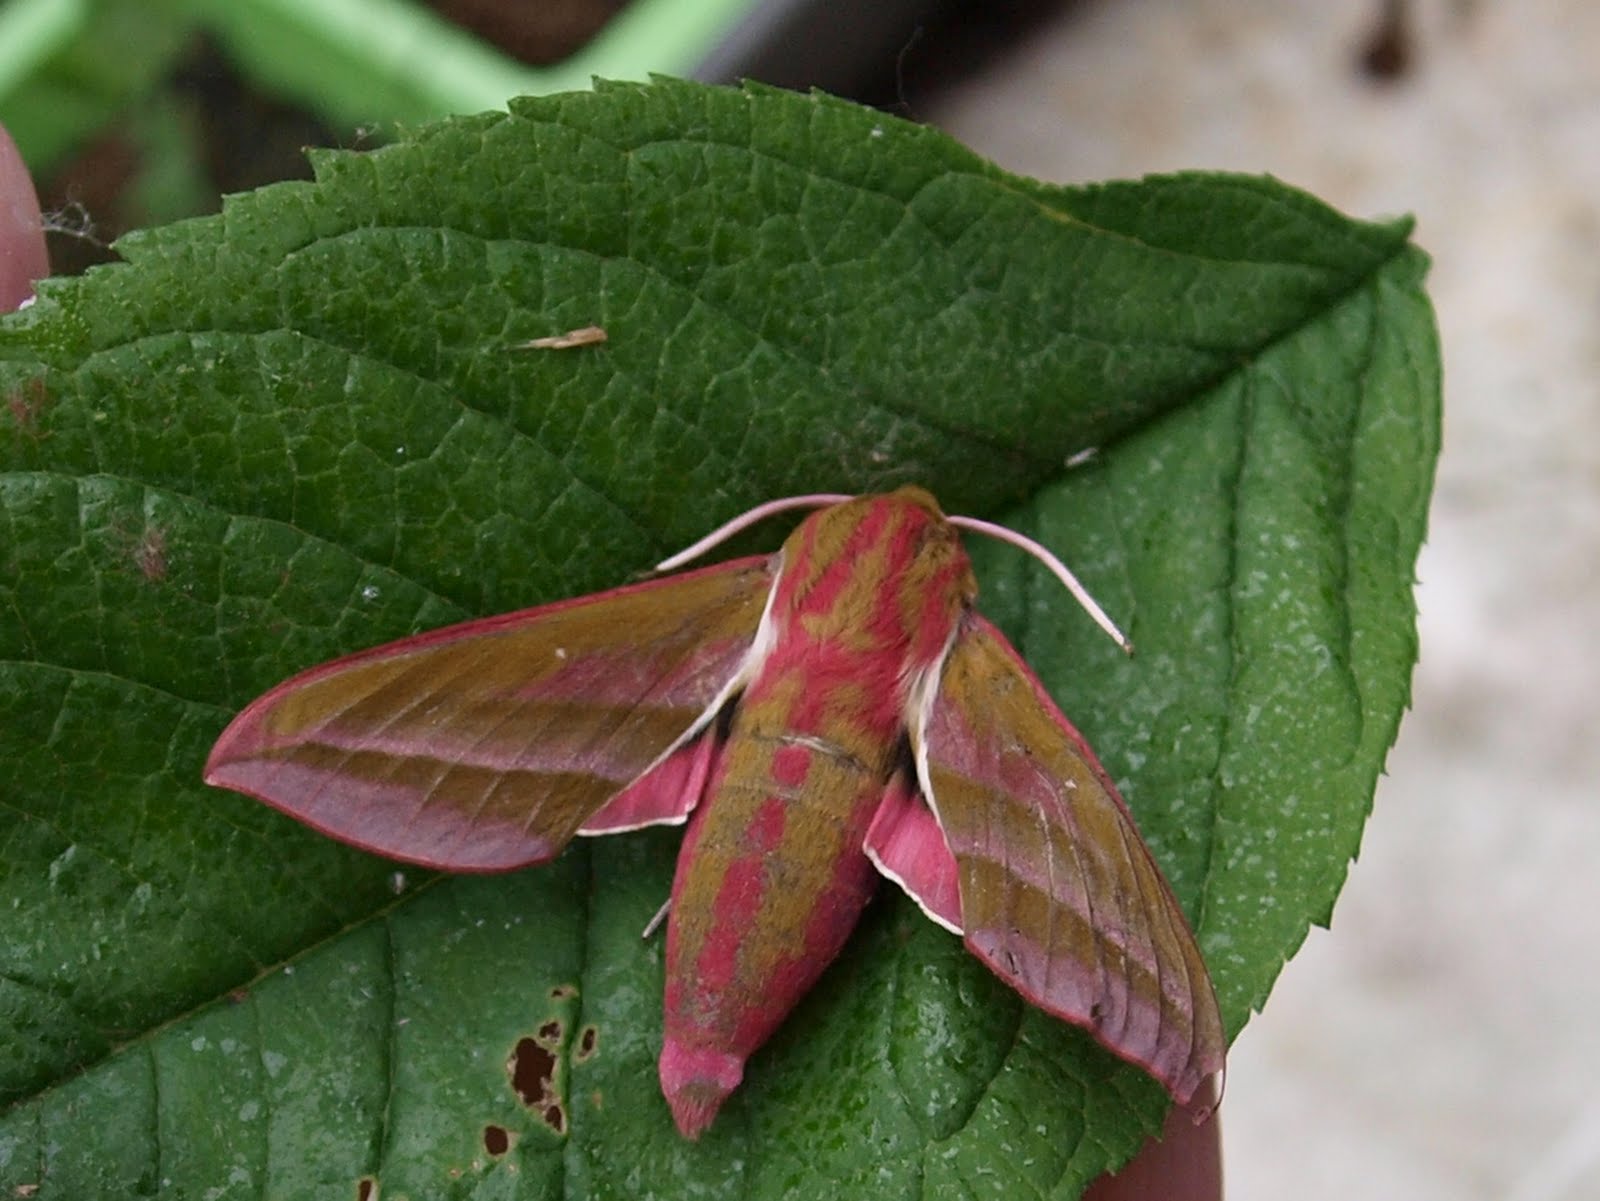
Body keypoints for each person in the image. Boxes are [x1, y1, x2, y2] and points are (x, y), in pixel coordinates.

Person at [0, 119, 1220, 1200]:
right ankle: (702, 1053)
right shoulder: (989, 681)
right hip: (827, 838)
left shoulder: (726, 603)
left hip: (737, 821)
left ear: (798, 550)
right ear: (961, 599)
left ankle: (698, 1044)